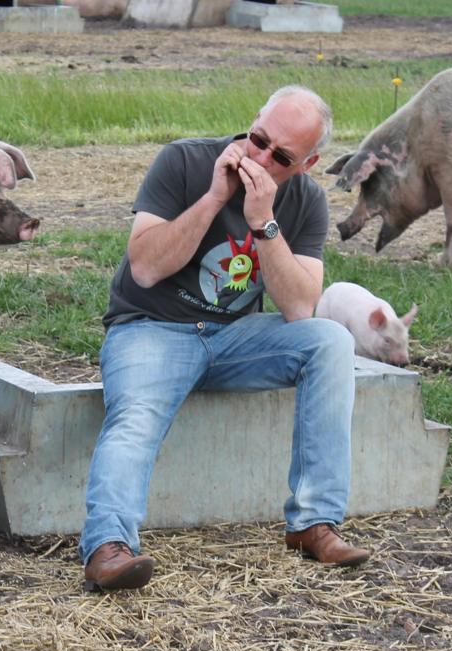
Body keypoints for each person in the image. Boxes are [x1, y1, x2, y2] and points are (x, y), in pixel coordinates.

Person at [80, 85, 370, 593]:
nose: (259, 158)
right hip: (151, 328)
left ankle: (313, 522)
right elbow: (145, 268)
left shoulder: (306, 200)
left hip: (235, 339)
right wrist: (216, 198)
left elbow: (300, 307)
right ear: (252, 120)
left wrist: (264, 224)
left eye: (280, 157)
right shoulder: (185, 161)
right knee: (137, 415)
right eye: (258, 139)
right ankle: (108, 546)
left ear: (307, 163)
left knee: (330, 341)